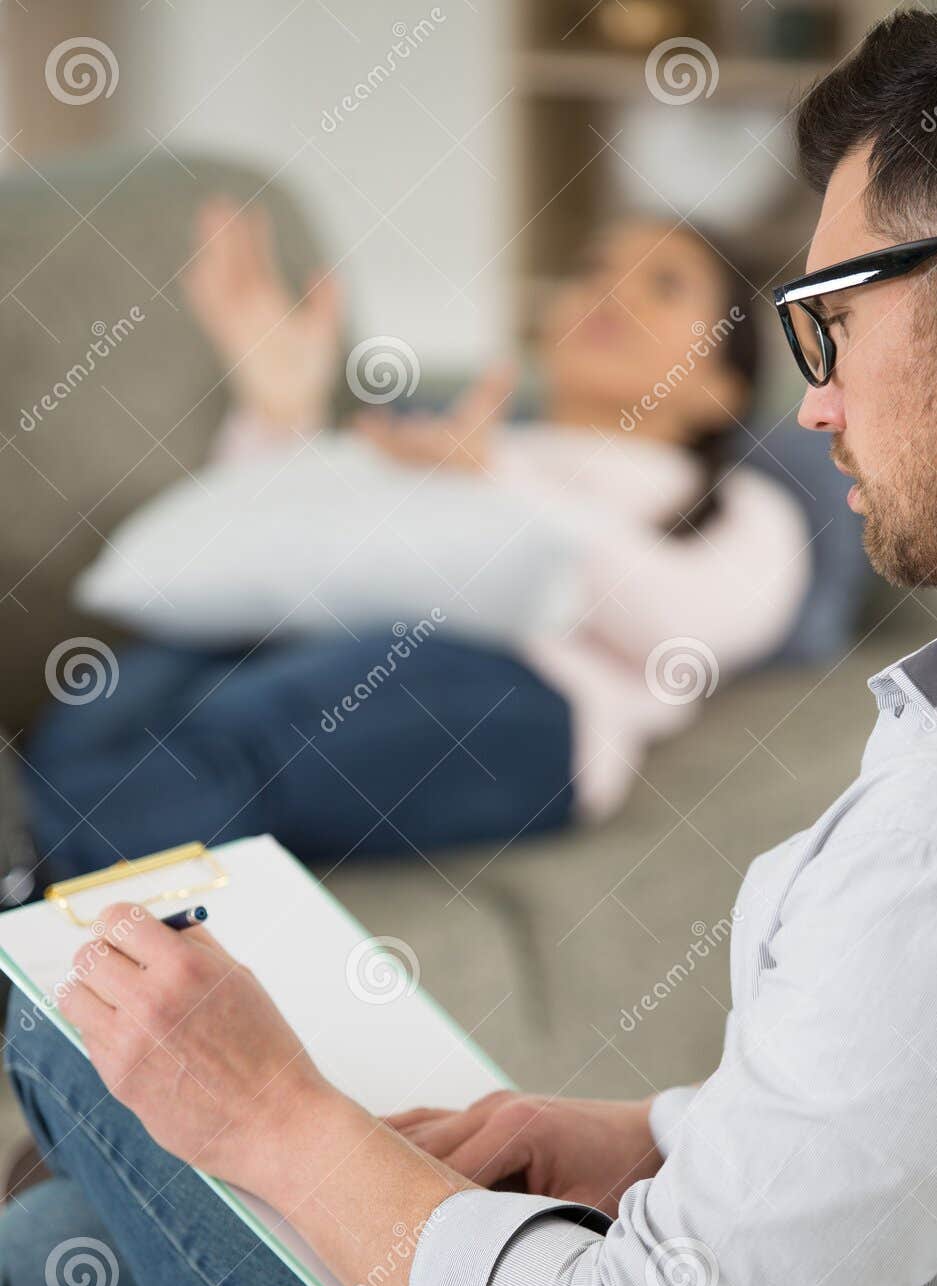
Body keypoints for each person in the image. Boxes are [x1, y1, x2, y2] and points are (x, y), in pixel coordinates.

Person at [3, 0, 937, 1286]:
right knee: (48, 1277)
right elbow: (931, 1129)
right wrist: (640, 1145)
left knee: (76, 1012)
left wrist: (279, 1123)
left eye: (830, 320)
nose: (817, 402)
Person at [22, 209, 809, 881]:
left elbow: (683, 635)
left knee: (245, 733)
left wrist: (493, 480)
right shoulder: (453, 445)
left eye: (663, 285)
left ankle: (28, 888)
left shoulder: (742, 509)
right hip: (325, 644)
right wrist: (279, 408)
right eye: (594, 270)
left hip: (528, 702)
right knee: (102, 713)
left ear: (724, 388)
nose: (613, 292)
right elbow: (268, 558)